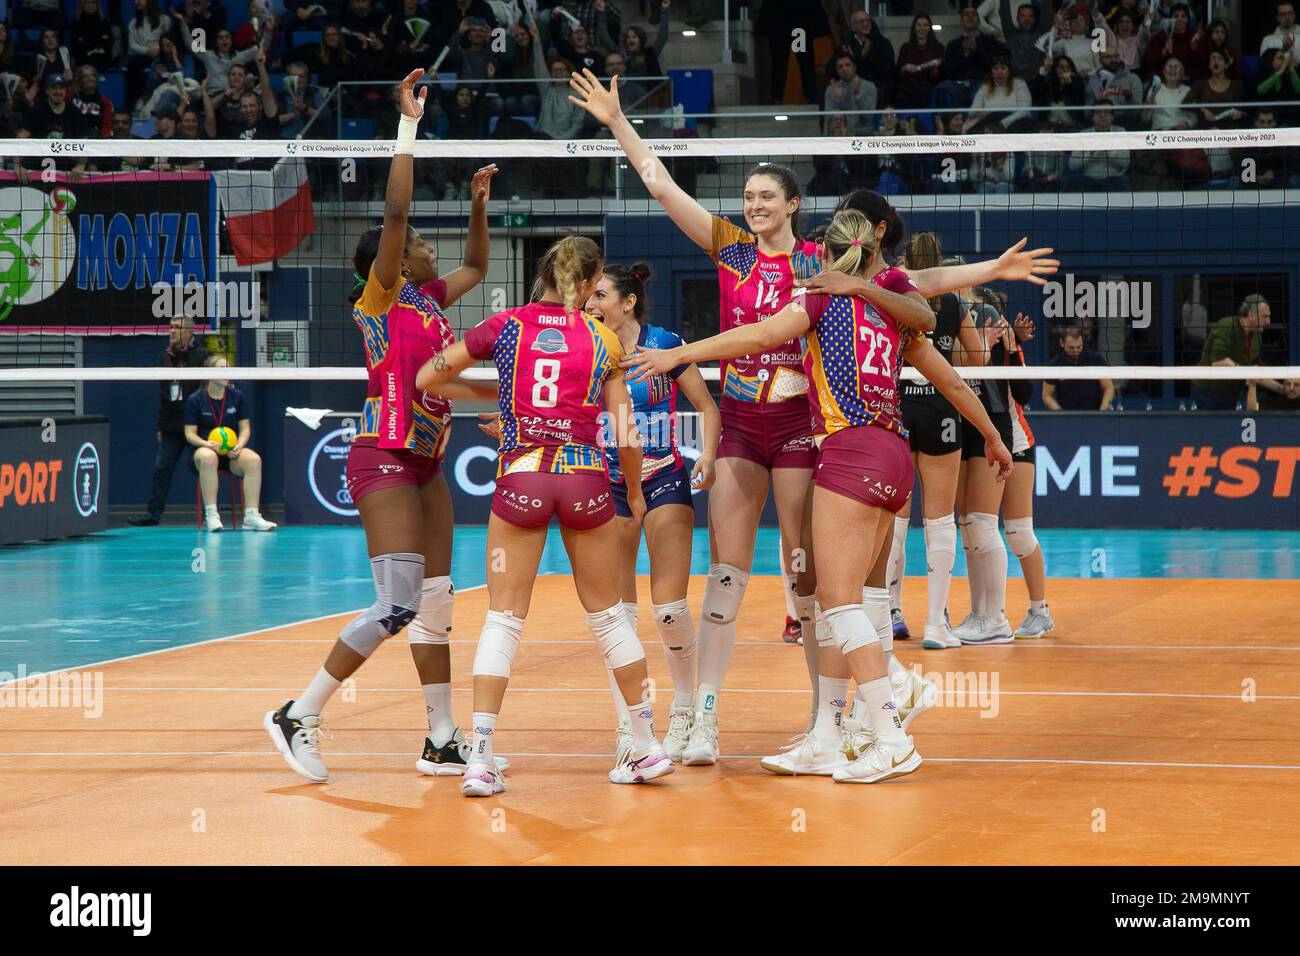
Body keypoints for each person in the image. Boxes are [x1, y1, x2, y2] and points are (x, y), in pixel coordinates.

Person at [623, 210, 1013, 781]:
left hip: (849, 451)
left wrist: (682, 353)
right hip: (894, 454)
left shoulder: (818, 300)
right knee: (852, 598)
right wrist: (993, 436)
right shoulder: (890, 312)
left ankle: (892, 723)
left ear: (826, 257)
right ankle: (828, 737)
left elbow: (758, 335)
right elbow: (950, 377)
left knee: (838, 605)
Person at [265, 70, 500, 785]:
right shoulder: (381, 297)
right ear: (389, 261)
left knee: (436, 601)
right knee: (396, 603)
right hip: (383, 455)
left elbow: (478, 264)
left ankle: (440, 738)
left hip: (427, 459)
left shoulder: (428, 301)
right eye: (417, 242)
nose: (426, 247)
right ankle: (298, 713)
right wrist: (408, 128)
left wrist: (478, 206)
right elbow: (396, 213)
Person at [417, 236, 675, 797]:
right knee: (610, 618)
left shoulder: (505, 325)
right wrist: (634, 492)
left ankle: (481, 760)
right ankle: (646, 746)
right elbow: (625, 431)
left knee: (503, 619)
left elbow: (426, 378)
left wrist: (506, 409)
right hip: (584, 478)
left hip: (523, 476)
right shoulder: (603, 338)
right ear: (588, 284)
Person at [584, 262, 720, 764]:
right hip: (609, 485)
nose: (590, 304)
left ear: (628, 302)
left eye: (600, 295)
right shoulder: (586, 347)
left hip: (663, 477)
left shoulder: (663, 345)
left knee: (669, 609)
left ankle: (686, 710)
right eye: (589, 295)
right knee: (617, 616)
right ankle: (629, 726)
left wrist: (708, 454)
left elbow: (709, 407)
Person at [888, 241, 985, 650]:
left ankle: (891, 611)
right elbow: (979, 360)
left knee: (895, 519)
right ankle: (935, 623)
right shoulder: (953, 304)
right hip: (940, 408)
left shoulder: (893, 296)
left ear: (907, 262)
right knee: (941, 521)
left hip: (899, 405)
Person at [128, 317, 212, 526]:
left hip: (197, 426)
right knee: (162, 469)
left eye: (177, 327)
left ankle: (211, 514)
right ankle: (152, 514)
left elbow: (210, 392)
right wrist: (161, 424)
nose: (172, 331)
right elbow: (164, 395)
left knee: (202, 467)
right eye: (171, 327)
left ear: (189, 332)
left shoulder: (203, 356)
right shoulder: (166, 357)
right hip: (172, 426)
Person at [1003, 316, 1054, 640]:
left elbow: (1024, 393)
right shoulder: (958, 342)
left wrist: (1013, 345)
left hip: (1016, 442)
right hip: (975, 443)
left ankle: (1040, 611)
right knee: (974, 529)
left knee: (1019, 532)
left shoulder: (1007, 345)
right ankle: (985, 613)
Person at [184, 356, 277, 532]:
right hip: (204, 452)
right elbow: (189, 434)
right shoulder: (195, 399)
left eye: (229, 368)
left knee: (254, 460)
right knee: (208, 458)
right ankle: (212, 515)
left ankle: (251, 517)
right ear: (209, 374)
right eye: (222, 369)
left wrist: (239, 445)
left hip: (231, 454)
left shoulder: (237, 396)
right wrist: (206, 444)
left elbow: (245, 428)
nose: (228, 373)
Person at [1191, 295, 1278, 410]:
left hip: (1231, 395)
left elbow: (1255, 372)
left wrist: (1282, 389)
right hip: (1207, 392)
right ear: (1251, 315)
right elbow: (1218, 361)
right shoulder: (1227, 326)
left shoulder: (1257, 336)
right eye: (1265, 316)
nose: (1268, 321)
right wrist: (1247, 372)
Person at [1042, 327, 1114, 410]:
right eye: (1071, 348)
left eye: (1079, 347)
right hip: (1067, 413)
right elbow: (1047, 395)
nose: (1076, 351)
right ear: (1062, 343)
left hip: (1094, 412)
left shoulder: (1096, 359)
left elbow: (1109, 388)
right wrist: (1061, 413)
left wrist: (1102, 411)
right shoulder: (1054, 365)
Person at [895, 14, 946, 111]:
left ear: (929, 28)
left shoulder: (938, 48)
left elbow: (940, 77)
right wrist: (905, 68)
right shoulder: (905, 48)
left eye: (925, 25)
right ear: (914, 28)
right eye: (919, 25)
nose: (922, 28)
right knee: (900, 97)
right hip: (907, 87)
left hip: (928, 87)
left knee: (925, 92)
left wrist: (934, 69)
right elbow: (898, 72)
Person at [824, 51, 877, 132]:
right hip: (840, 135)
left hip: (862, 134)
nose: (844, 69)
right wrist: (839, 100)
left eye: (847, 65)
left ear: (854, 67)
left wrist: (857, 97)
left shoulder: (869, 87)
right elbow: (828, 119)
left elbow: (867, 118)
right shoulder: (831, 90)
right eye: (840, 67)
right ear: (837, 70)